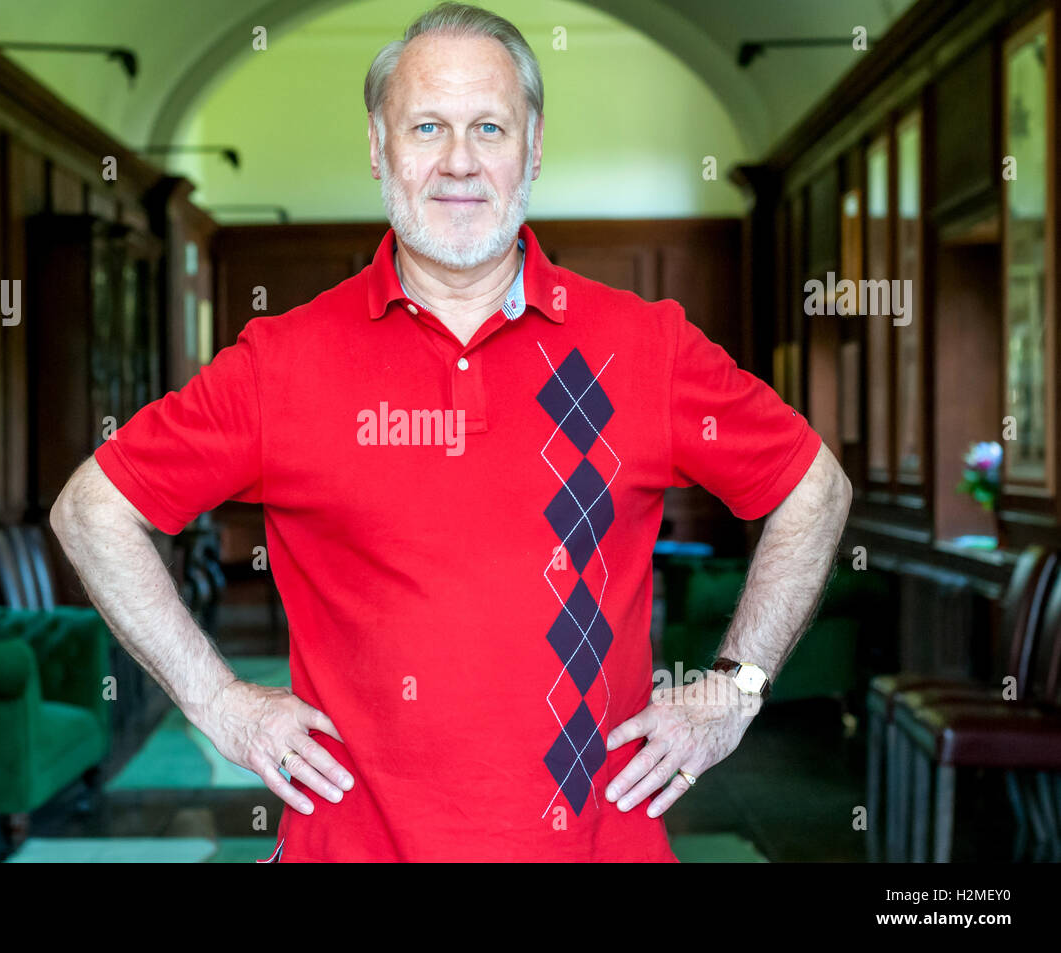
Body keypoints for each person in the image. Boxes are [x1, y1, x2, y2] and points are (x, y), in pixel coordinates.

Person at [50, 1, 852, 862]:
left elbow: (814, 487)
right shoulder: (281, 362)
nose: (460, 161)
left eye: (490, 127)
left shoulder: (642, 345)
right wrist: (217, 701)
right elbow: (91, 510)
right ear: (377, 148)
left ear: (533, 147)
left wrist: (734, 690)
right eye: (427, 125)